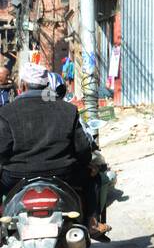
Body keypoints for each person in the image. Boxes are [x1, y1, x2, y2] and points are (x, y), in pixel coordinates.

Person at [0, 63, 108, 238]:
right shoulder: (68, 110)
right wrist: (86, 164)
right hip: (64, 174)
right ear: (46, 85)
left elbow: (2, 151)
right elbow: (82, 149)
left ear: (23, 86)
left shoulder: (7, 112)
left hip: (17, 176)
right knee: (93, 178)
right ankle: (92, 222)